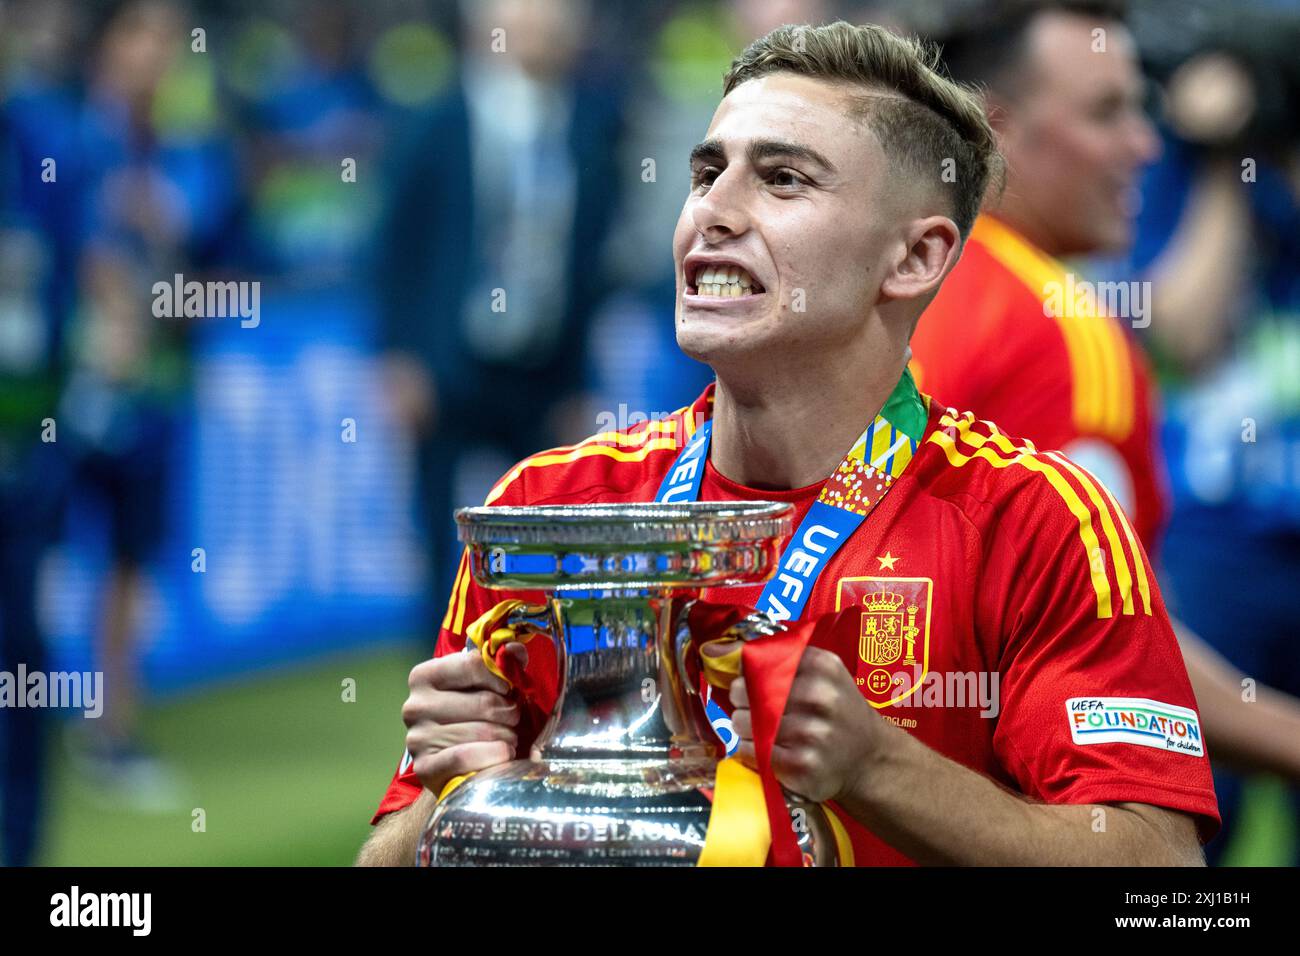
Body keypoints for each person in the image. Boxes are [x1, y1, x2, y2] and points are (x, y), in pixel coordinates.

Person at [358, 21, 1216, 867]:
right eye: (706, 171)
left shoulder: (1034, 520)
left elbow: (1166, 880)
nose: (712, 211)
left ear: (915, 257)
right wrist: (466, 797)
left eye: (783, 179)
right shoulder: (556, 509)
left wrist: (878, 767)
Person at [910, 0, 1300, 863]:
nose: (1147, 143)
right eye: (1107, 111)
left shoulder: (895, 286)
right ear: (995, 130)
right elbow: (1108, 642)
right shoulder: (1060, 330)